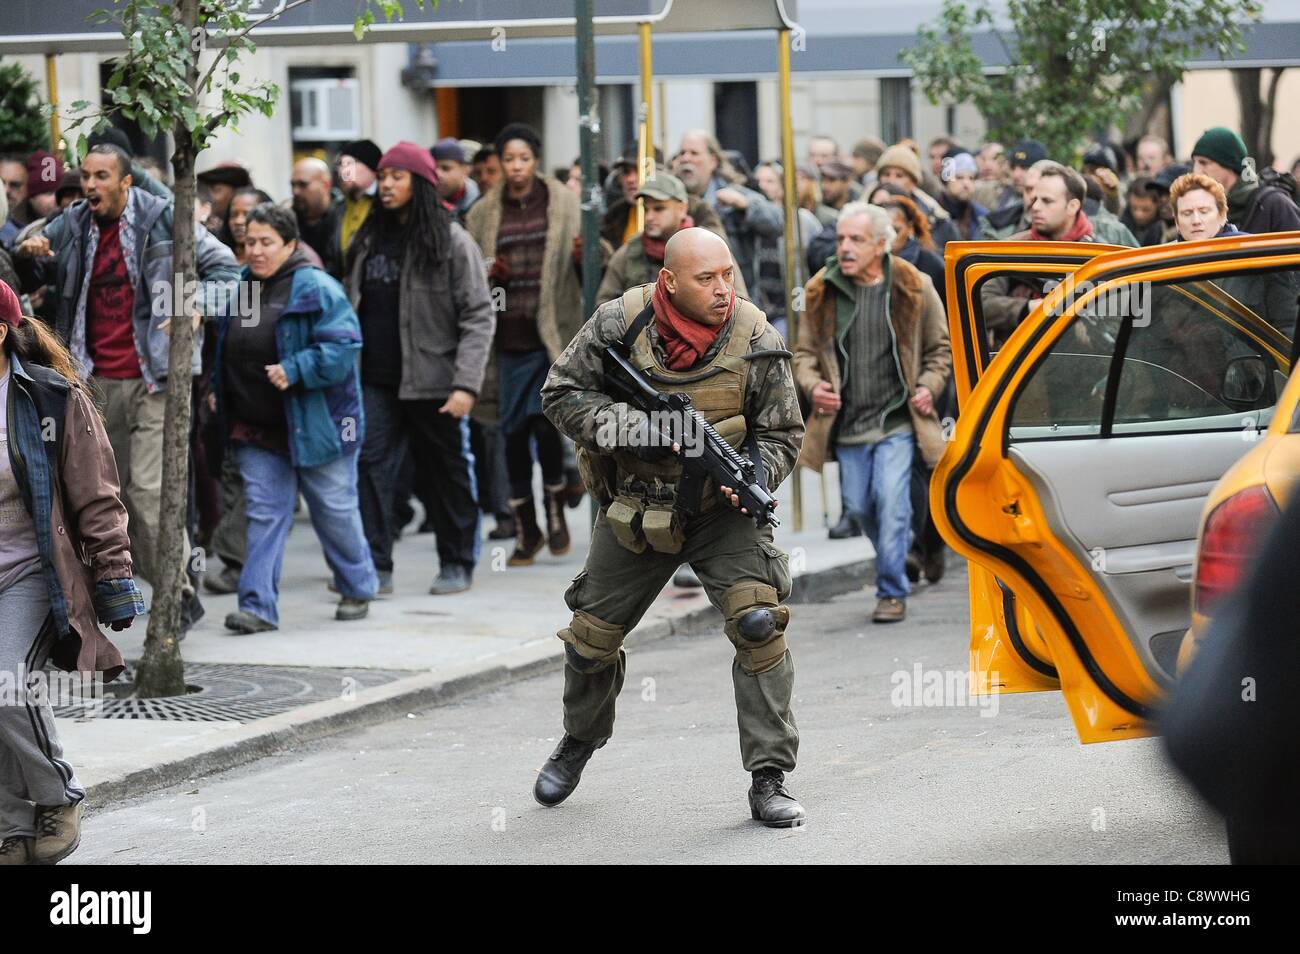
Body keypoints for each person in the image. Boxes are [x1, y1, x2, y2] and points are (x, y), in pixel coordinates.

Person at [537, 227, 806, 826]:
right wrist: (639, 428)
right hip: (636, 504)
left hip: (721, 513)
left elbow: (784, 432)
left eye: (728, 274)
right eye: (706, 278)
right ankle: (579, 740)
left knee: (760, 625)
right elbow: (559, 395)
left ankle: (770, 777)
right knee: (590, 639)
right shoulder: (618, 324)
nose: (722, 289)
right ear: (669, 281)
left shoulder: (756, 335)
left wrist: (749, 477)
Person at [12, 143, 238, 625]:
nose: (90, 185)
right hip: (92, 381)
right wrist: (32, 253)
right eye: (85, 176)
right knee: (108, 496)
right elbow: (31, 268)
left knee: (150, 492)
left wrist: (192, 303)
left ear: (126, 181)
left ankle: (175, 596)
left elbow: (228, 271)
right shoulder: (72, 223)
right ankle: (157, 595)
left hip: (154, 376)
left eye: (101, 176)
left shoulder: (163, 218)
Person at [0, 280, 145, 866]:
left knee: (5, 685)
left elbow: (98, 497)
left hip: (34, 570)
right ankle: (11, 823)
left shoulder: (50, 398)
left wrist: (114, 580)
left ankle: (58, 795)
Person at [214, 204, 377, 632]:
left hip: (318, 423)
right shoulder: (246, 287)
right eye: (250, 243)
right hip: (258, 426)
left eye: (267, 242)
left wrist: (297, 367)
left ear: (290, 244)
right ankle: (258, 606)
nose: (257, 251)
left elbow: (344, 349)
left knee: (334, 509)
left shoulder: (316, 288)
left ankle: (358, 585)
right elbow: (237, 344)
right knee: (264, 514)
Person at [347, 142, 495, 595]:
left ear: (421, 184)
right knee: (371, 469)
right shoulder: (368, 238)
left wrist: (466, 384)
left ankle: (456, 561)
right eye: (384, 177)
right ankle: (376, 566)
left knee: (444, 473)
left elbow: (478, 314)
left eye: (397, 177)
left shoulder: (451, 241)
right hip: (374, 379)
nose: (386, 185)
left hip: (436, 381)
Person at [795, 203, 952, 623]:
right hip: (847, 426)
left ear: (881, 244)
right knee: (861, 506)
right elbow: (804, 355)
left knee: (893, 499)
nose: (844, 248)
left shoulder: (913, 284)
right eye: (841, 238)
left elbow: (941, 350)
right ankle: (895, 552)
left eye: (856, 240)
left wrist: (927, 387)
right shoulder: (820, 290)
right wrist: (815, 386)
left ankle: (891, 590)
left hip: (898, 420)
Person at [465, 122, 584, 565]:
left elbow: (593, 255)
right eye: (509, 160)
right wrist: (487, 271)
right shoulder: (481, 213)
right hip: (504, 338)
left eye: (524, 159)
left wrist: (581, 255)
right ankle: (525, 525)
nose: (516, 168)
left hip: (550, 336)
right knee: (510, 432)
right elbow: (469, 268)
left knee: (542, 424)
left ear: (535, 159)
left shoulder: (565, 202)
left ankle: (554, 513)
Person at [980, 162, 1098, 349]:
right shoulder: (1012, 249)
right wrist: (1028, 309)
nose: (1034, 207)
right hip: (1018, 367)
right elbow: (981, 304)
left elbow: (1118, 319)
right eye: (1035, 199)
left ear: (1072, 206)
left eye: (1047, 201)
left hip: (1083, 368)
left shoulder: (1099, 257)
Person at [1169, 172, 1298, 340]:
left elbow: (1287, 325)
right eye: (1187, 213)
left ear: (1222, 215)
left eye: (1203, 211)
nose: (1196, 220)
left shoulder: (1255, 256)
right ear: (1177, 223)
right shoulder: (1165, 267)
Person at [597, 171, 748, 305]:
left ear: (682, 209)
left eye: (659, 209)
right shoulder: (628, 253)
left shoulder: (710, 248)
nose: (649, 217)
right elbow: (604, 306)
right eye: (646, 209)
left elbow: (741, 305)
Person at [671, 129, 784, 295]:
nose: (686, 158)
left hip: (735, 298)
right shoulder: (669, 200)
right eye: (682, 153)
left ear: (713, 161)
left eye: (694, 153)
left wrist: (745, 206)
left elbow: (779, 222)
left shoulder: (735, 195)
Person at [751, 161, 821, 341]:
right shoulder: (748, 222)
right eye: (758, 181)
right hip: (759, 305)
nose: (762, 185)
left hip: (791, 305)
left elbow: (816, 261)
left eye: (769, 181)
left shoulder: (803, 220)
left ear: (783, 187)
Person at [1192, 126, 1300, 235]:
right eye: (1194, 163)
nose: (1196, 171)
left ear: (1229, 165)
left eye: (1204, 162)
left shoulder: (1274, 203)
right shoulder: (1203, 210)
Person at [873, 144, 960, 252]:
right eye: (886, 174)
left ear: (913, 182)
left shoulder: (935, 217)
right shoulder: (865, 205)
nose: (891, 181)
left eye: (899, 175)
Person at [290, 157, 345, 278]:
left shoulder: (345, 218)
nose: (295, 191)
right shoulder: (287, 220)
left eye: (303, 184)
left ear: (326, 184)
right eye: (293, 185)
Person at [336, 139, 381, 259]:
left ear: (371, 167)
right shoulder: (337, 208)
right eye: (340, 164)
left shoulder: (386, 204)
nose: (343, 171)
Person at [938, 150, 989, 241]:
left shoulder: (982, 217)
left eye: (971, 178)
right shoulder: (931, 214)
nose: (966, 184)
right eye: (959, 177)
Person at [432, 137, 480, 221]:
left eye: (445, 168)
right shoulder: (428, 201)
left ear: (464, 170)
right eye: (433, 169)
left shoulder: (479, 200)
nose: (438, 175)